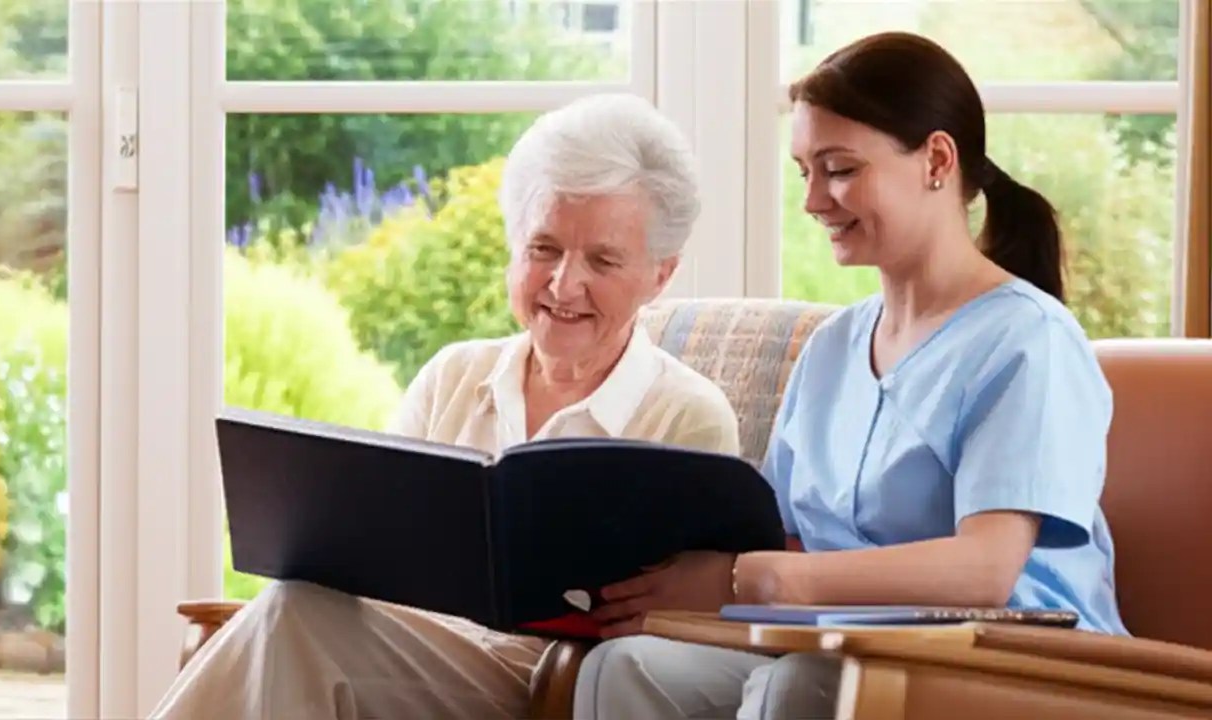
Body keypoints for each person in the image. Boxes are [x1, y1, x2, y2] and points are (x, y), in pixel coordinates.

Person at [573, 31, 1129, 720]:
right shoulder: (834, 346)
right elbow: (786, 532)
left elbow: (985, 570)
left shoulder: (1029, 341)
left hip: (1027, 670)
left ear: (936, 160)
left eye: (837, 168)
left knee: (808, 684)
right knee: (626, 669)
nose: (813, 200)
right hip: (847, 648)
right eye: (804, 170)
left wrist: (758, 577)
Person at [147, 93, 740, 720]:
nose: (564, 285)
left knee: (296, 621)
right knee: (295, 611)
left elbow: (675, 650)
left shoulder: (687, 416)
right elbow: (371, 553)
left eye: (602, 260)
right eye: (544, 249)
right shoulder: (455, 374)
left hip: (549, 677)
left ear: (660, 274)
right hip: (404, 649)